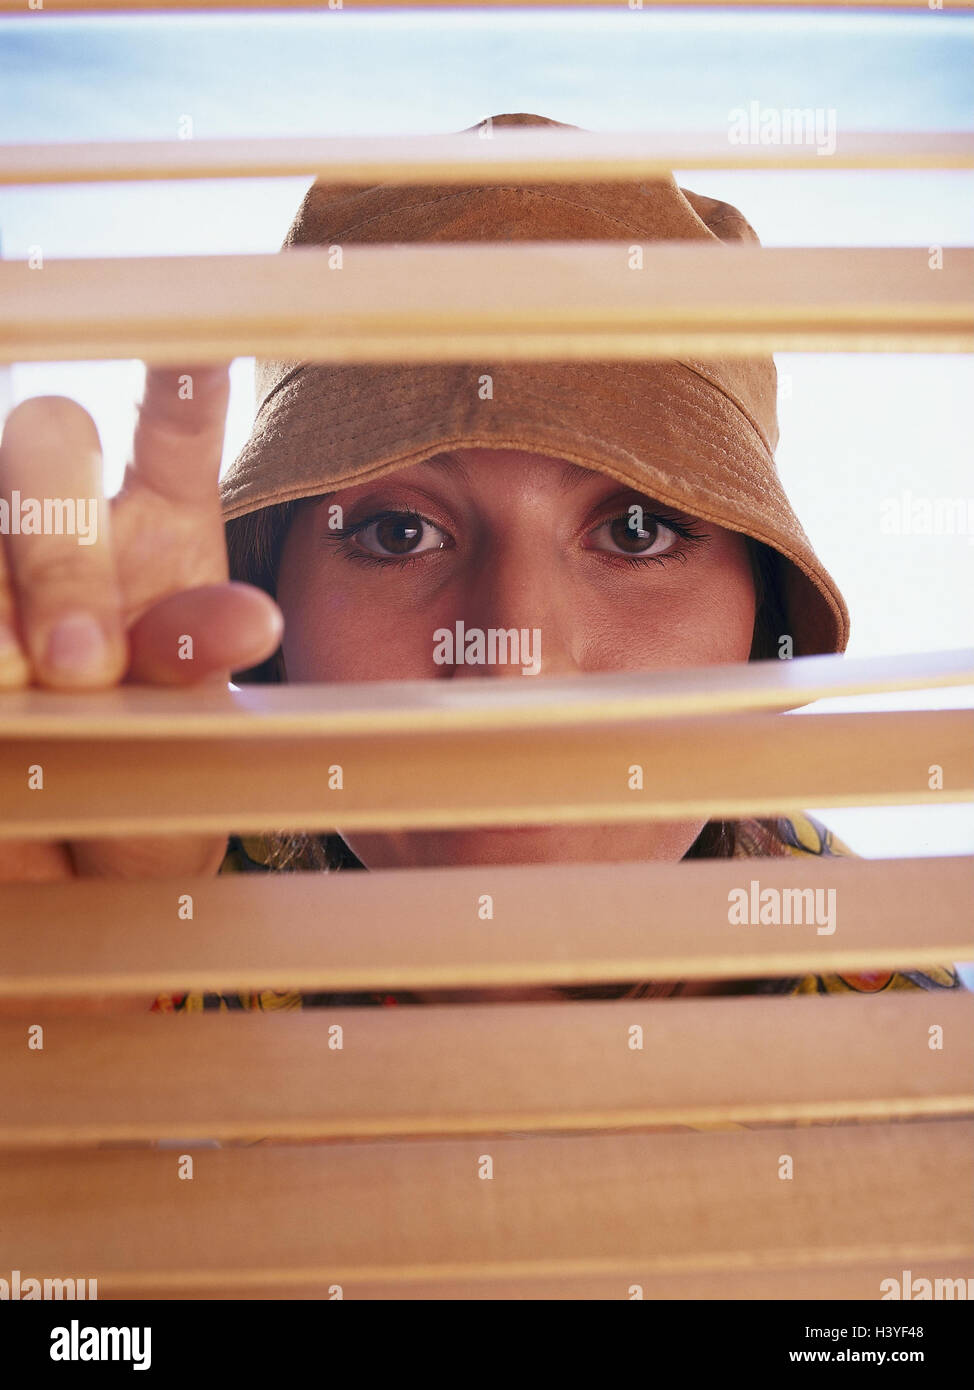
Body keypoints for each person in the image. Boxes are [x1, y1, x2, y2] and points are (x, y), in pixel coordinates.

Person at [0, 113, 961, 1012]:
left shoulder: (907, 1044)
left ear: (762, 624)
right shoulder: (119, 929)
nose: (511, 659)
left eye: (637, 531)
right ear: (271, 617)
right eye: (397, 533)